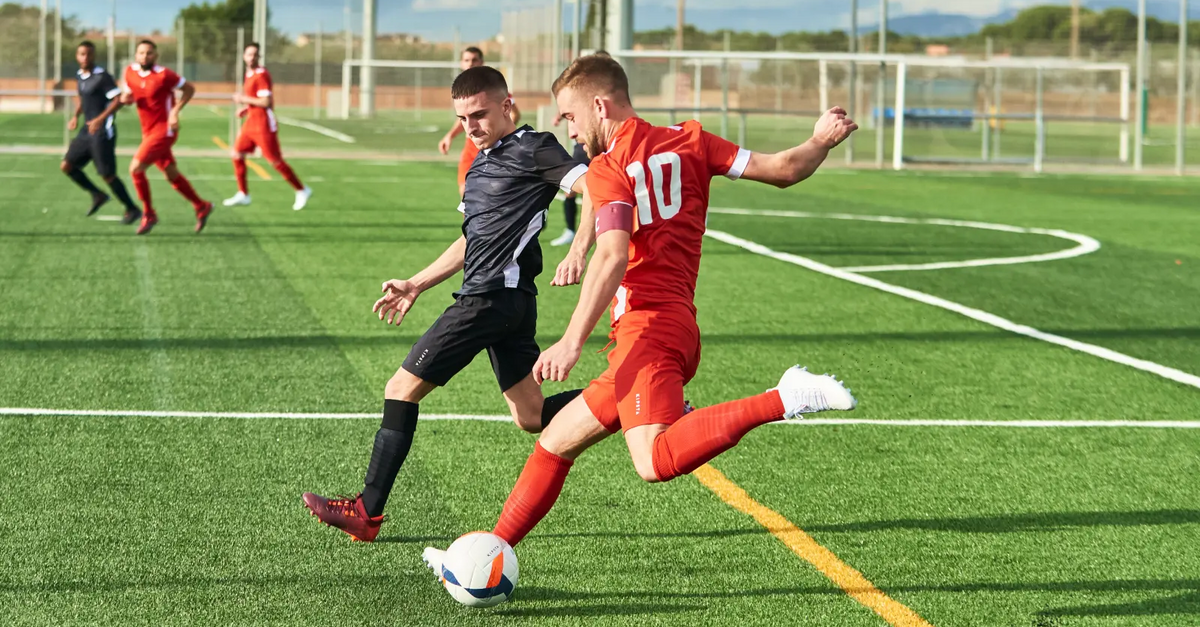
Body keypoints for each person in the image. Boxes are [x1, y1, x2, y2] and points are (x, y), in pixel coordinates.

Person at [423, 54, 859, 568]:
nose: (569, 129)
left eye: (570, 116)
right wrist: (822, 140)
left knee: (653, 461)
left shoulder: (608, 168)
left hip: (646, 331)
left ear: (600, 106)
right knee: (555, 442)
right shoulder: (691, 139)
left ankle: (785, 396)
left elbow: (612, 254)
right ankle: (487, 554)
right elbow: (785, 169)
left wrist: (570, 340)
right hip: (671, 326)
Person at [302, 66, 590, 543]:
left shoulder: (535, 147)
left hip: (489, 300)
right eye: (462, 119)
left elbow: (599, 191)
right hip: (506, 303)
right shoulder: (481, 162)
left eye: (479, 114)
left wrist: (579, 250)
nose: (471, 126)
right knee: (531, 416)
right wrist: (417, 283)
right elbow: (469, 240)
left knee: (400, 387)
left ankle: (366, 510)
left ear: (506, 104)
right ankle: (629, 397)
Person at [93, 40, 213, 235]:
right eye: (141, 53)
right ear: (136, 55)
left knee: (136, 168)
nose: (144, 56)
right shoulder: (130, 72)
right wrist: (124, 101)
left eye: (149, 53)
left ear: (155, 56)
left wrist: (175, 112)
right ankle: (201, 205)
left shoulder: (164, 75)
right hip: (148, 132)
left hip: (165, 130)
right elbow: (128, 96)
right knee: (170, 172)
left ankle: (149, 213)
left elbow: (189, 89)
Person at [222, 42, 312, 211]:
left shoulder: (261, 75)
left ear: (259, 57)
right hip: (251, 122)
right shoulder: (249, 74)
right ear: (244, 56)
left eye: (255, 54)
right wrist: (246, 109)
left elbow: (265, 101)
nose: (252, 57)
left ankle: (302, 190)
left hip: (263, 124)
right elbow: (256, 99)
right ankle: (243, 194)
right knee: (237, 153)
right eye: (249, 54)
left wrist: (243, 100)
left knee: (274, 160)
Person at [61, 41, 141, 225]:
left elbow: (118, 100)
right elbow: (82, 99)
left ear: (94, 56)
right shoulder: (80, 76)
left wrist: (100, 119)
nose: (85, 58)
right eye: (82, 54)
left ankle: (132, 208)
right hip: (86, 131)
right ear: (77, 56)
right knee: (67, 166)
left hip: (102, 132)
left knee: (107, 175)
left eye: (89, 54)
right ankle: (97, 194)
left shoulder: (103, 77)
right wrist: (75, 116)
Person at [437, 47, 521, 197]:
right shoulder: (462, 90)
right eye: (466, 60)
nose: (470, 64)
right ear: (461, 63)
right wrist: (450, 136)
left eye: (474, 60)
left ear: (481, 62)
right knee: (465, 193)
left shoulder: (492, 87)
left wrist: (501, 135)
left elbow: (515, 113)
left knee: (490, 196)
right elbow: (466, 118)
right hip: (470, 147)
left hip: (491, 145)